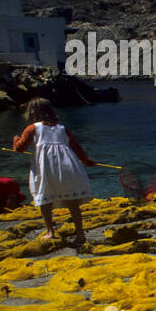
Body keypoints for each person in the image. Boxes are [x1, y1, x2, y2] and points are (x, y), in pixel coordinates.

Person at [11, 98, 95, 243]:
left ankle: (51, 231)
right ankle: (80, 234)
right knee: (72, 201)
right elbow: (76, 147)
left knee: (45, 198)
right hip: (67, 166)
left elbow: (20, 148)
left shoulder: (32, 128)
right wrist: (87, 161)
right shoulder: (62, 128)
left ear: (32, 113)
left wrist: (15, 140)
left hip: (45, 168)